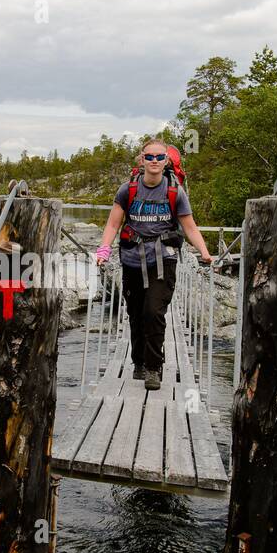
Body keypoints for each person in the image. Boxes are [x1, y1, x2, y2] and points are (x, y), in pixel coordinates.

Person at [93, 141, 214, 391]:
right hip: (131, 260)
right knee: (136, 315)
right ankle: (138, 361)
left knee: (153, 312)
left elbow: (189, 226)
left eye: (160, 156)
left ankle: (153, 367)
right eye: (150, 156)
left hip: (163, 260)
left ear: (166, 161)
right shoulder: (127, 190)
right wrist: (104, 250)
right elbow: (113, 224)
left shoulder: (174, 192)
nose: (155, 160)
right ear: (142, 159)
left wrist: (204, 252)